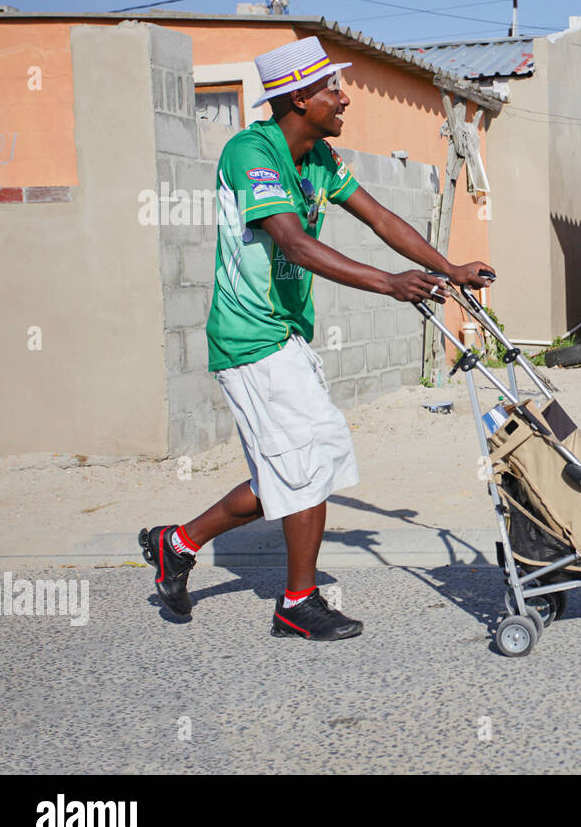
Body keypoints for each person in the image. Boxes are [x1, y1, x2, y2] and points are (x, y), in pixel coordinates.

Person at [140, 36, 493, 640]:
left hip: (286, 336)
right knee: (307, 463)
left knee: (291, 469)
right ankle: (296, 603)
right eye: (333, 88)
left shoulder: (321, 161)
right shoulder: (250, 152)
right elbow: (295, 243)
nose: (344, 98)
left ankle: (178, 543)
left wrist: (448, 267)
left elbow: (381, 218)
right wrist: (390, 284)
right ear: (300, 96)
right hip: (251, 340)